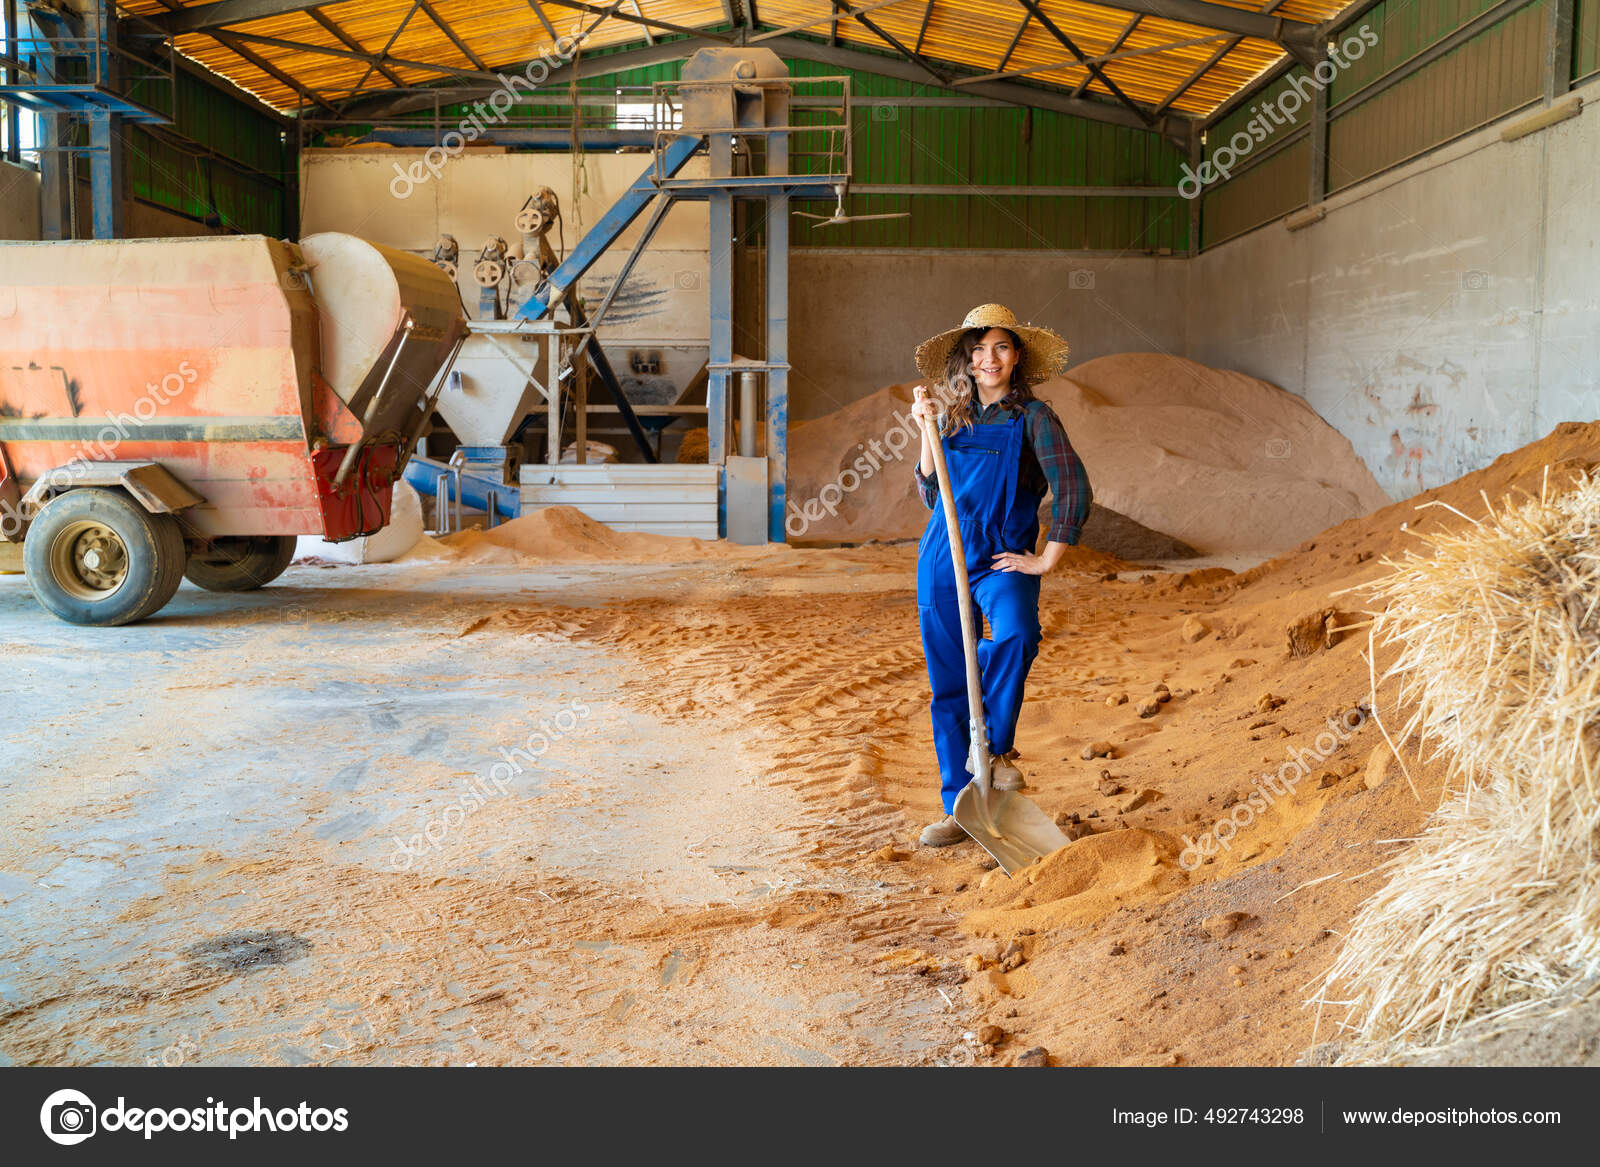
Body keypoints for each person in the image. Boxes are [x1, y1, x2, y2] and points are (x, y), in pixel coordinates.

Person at [908, 304, 1092, 847]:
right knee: (947, 684)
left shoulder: (1035, 418)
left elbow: (1074, 488)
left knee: (1015, 634)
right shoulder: (951, 417)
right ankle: (960, 806)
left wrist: (1045, 558)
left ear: (1018, 357)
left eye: (1002, 348)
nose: (989, 359)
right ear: (966, 359)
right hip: (941, 555)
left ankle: (995, 746)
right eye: (979, 350)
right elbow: (928, 490)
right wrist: (924, 429)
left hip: (1000, 557)